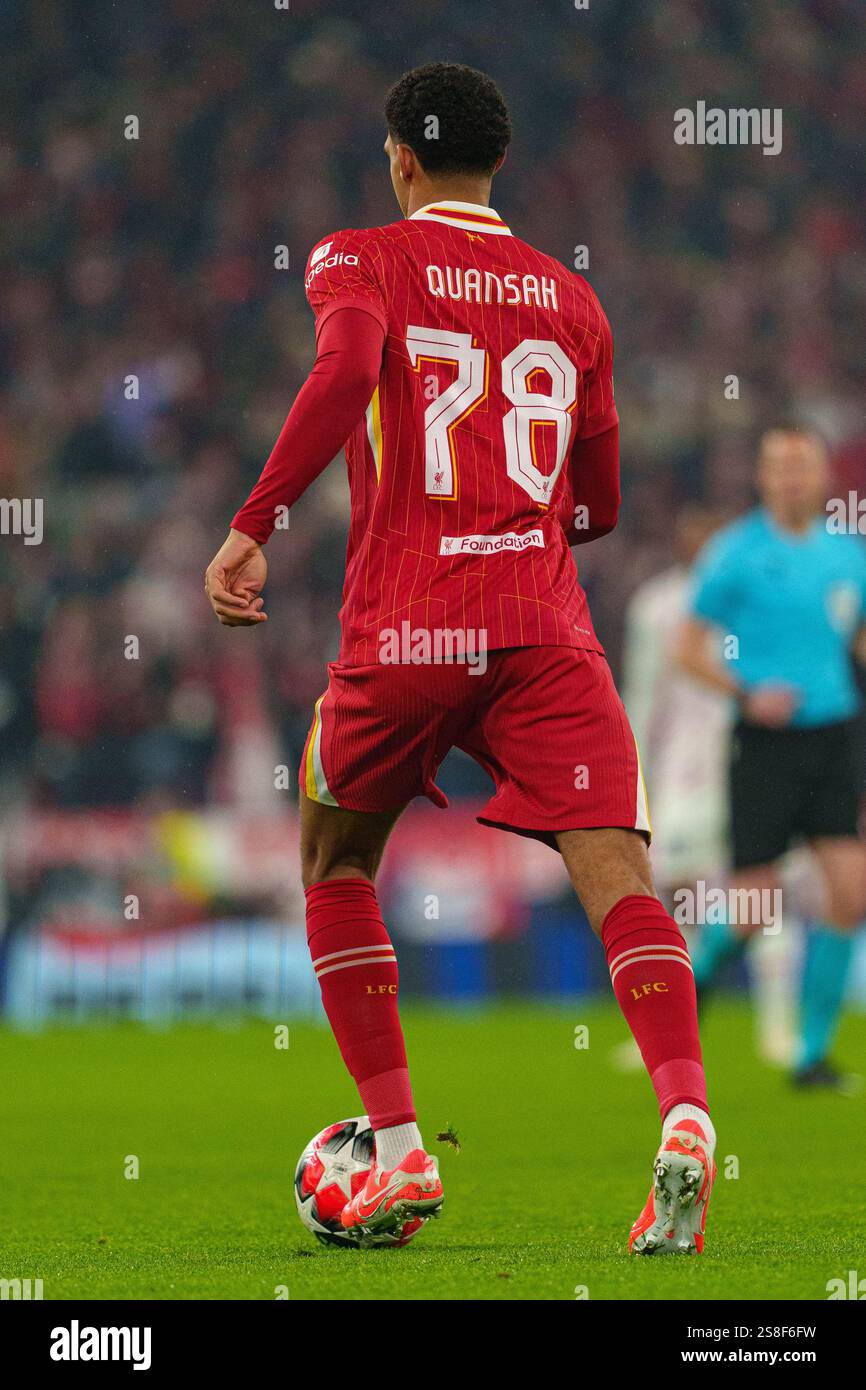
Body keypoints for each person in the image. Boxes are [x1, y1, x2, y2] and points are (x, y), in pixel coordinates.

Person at [205, 62, 716, 1253]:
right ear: (501, 165)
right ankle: (684, 1111)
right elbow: (597, 505)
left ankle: (394, 1150)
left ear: (398, 159)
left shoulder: (359, 256)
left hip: (406, 629)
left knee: (334, 857)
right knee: (619, 883)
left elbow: (341, 372)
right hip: (544, 631)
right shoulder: (571, 301)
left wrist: (252, 524)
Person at [677, 425, 866, 1090]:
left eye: (803, 465)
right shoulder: (734, 554)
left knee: (850, 890)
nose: (792, 478)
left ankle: (811, 1055)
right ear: (762, 476)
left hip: (833, 736)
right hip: (763, 743)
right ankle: (697, 974)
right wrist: (748, 694)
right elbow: (689, 648)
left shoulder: (848, 555)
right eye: (780, 466)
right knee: (757, 907)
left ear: (822, 476)